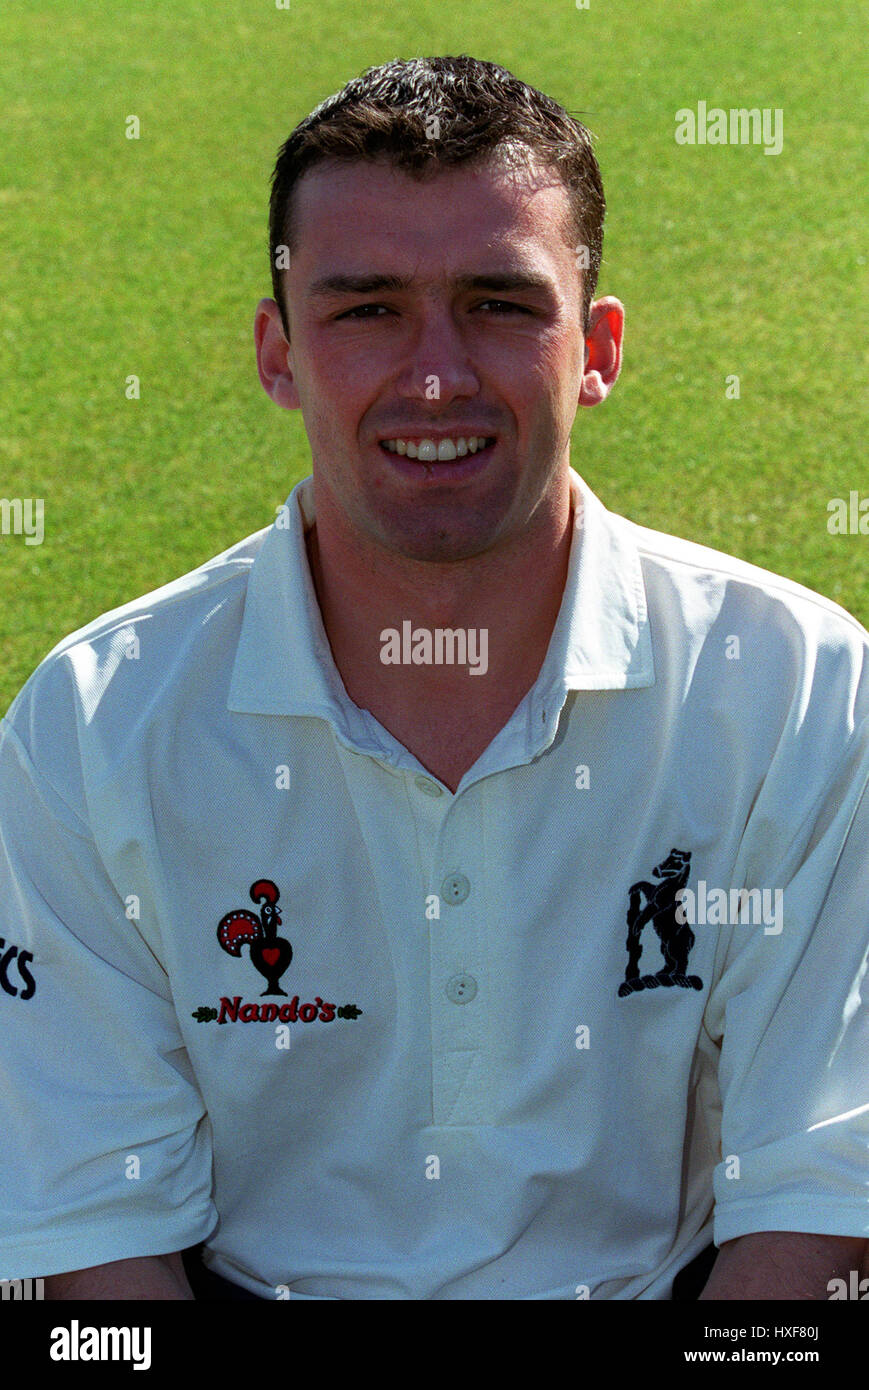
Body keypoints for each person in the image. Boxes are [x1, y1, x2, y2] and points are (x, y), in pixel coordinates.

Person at [0, 56, 866, 1302]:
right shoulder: (93, 723)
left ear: (596, 348)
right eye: (366, 309)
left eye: (499, 304)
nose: (435, 378)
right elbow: (91, 1230)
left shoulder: (794, 689)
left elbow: (814, 1200)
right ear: (278, 350)